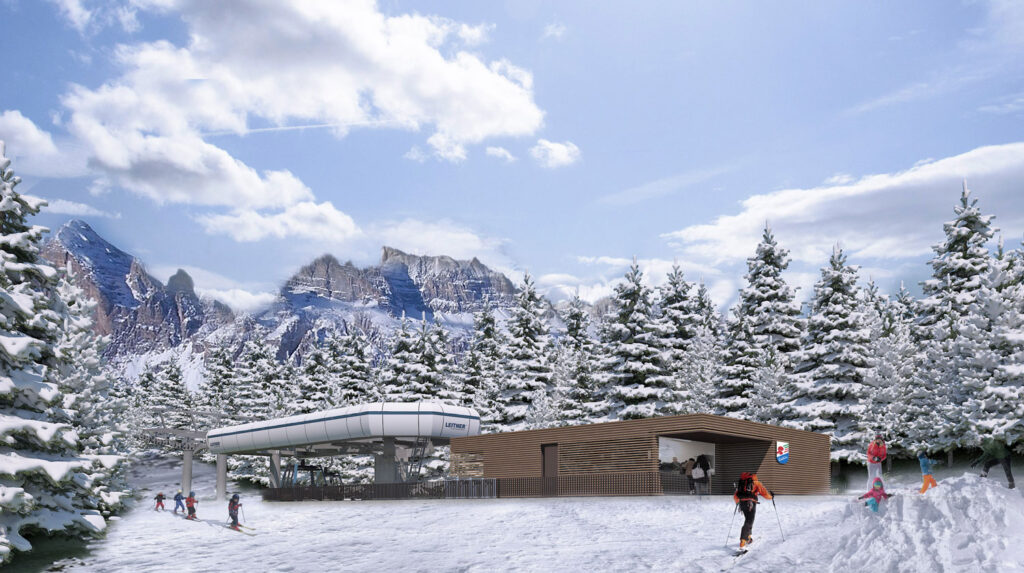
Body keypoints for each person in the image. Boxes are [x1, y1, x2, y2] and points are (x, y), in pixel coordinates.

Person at [733, 472, 773, 549]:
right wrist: (771, 497)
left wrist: (738, 503)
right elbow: (764, 493)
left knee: (748, 520)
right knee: (749, 521)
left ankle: (748, 537)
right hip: (751, 503)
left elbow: (736, 495)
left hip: (742, 503)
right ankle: (743, 540)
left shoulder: (742, 482)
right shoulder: (756, 482)